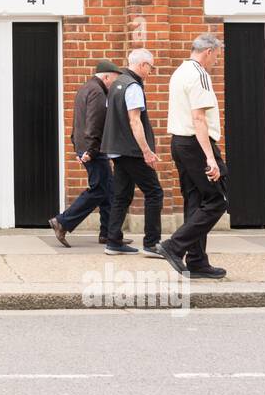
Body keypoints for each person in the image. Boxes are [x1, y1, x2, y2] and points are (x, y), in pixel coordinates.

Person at [157, 35, 229, 280]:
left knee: (196, 202)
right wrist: (210, 157)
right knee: (217, 200)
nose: (216, 62)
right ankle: (174, 246)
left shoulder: (179, 72)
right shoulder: (199, 75)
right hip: (196, 144)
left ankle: (197, 261)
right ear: (208, 51)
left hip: (180, 143)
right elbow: (199, 118)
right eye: (217, 55)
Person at [49, 60, 121, 247]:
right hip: (95, 148)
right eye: (113, 79)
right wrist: (91, 150)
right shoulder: (98, 92)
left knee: (109, 189)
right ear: (106, 76)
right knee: (100, 189)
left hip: (87, 146)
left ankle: (109, 234)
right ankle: (63, 221)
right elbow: (94, 123)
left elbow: (77, 122)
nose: (114, 84)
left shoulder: (85, 88)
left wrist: (77, 146)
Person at [101, 49, 163, 256]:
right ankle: (152, 243)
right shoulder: (133, 86)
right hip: (132, 150)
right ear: (143, 65)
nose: (151, 72)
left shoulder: (117, 84)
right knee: (154, 192)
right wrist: (147, 151)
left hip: (117, 150)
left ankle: (113, 241)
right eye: (151, 67)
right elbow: (134, 121)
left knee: (121, 195)